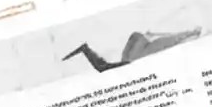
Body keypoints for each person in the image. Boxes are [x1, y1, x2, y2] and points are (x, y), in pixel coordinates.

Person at [63, 27, 202, 72]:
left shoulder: (153, 45)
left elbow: (135, 36)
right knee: (103, 68)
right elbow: (173, 38)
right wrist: (191, 33)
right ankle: (86, 49)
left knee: (103, 67)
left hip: (130, 59)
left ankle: (86, 50)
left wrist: (191, 33)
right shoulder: (156, 45)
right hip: (131, 60)